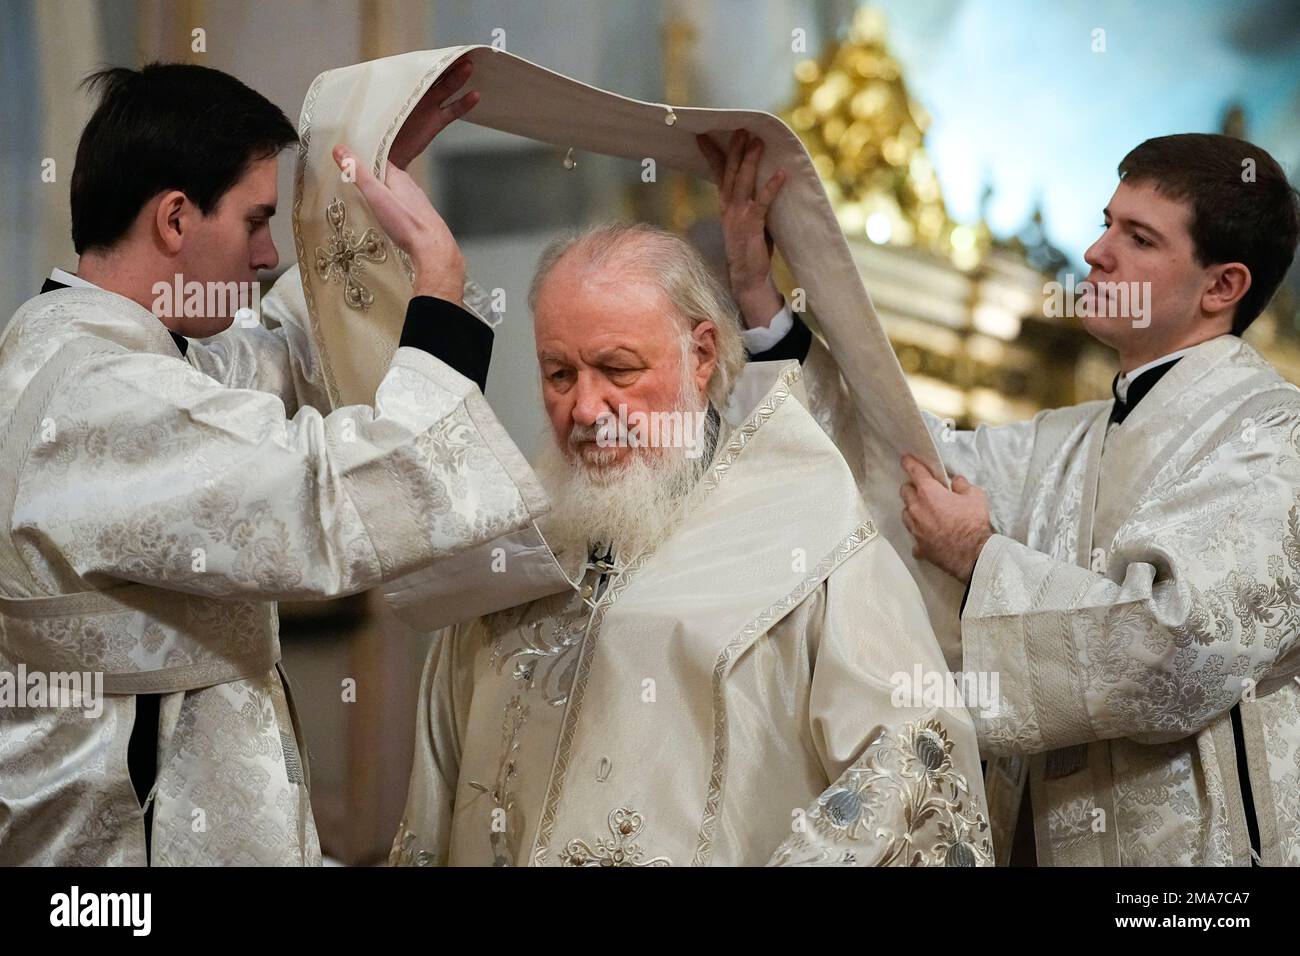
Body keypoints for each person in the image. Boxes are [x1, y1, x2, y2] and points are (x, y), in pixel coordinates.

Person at [0, 59, 553, 865]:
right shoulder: (98, 396)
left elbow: (284, 352)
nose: (266, 257)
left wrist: (363, 190)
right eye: (256, 221)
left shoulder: (89, 345)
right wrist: (440, 296)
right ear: (176, 219)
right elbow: (327, 489)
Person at [709, 128, 1300, 866]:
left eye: (1139, 237)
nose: (1096, 252)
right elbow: (898, 463)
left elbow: (1175, 648)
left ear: (1222, 286)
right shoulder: (1067, 439)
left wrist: (980, 557)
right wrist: (761, 299)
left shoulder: (1275, 435)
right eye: (1106, 222)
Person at [390, 222, 990, 867]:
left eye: (617, 369)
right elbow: (436, 803)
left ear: (701, 355)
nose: (586, 408)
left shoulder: (814, 545)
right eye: (559, 374)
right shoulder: (511, 565)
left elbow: (916, 772)